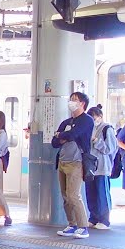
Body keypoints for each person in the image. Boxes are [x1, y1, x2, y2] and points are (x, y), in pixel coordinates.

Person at [51, 91, 94, 239]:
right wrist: (61, 136)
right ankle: (71, 224)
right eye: (71, 99)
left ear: (82, 103)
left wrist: (61, 135)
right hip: (62, 161)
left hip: (77, 162)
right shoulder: (66, 122)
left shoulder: (87, 120)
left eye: (75, 100)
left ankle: (83, 226)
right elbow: (54, 142)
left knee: (74, 195)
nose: (71, 102)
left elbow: (73, 135)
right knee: (65, 196)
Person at [85, 105, 119, 230]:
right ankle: (93, 218)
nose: (94, 120)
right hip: (90, 166)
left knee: (102, 194)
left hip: (102, 167)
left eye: (95, 117)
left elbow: (110, 149)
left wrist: (96, 141)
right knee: (91, 193)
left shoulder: (106, 129)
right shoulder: (89, 128)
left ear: (100, 117)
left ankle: (105, 220)